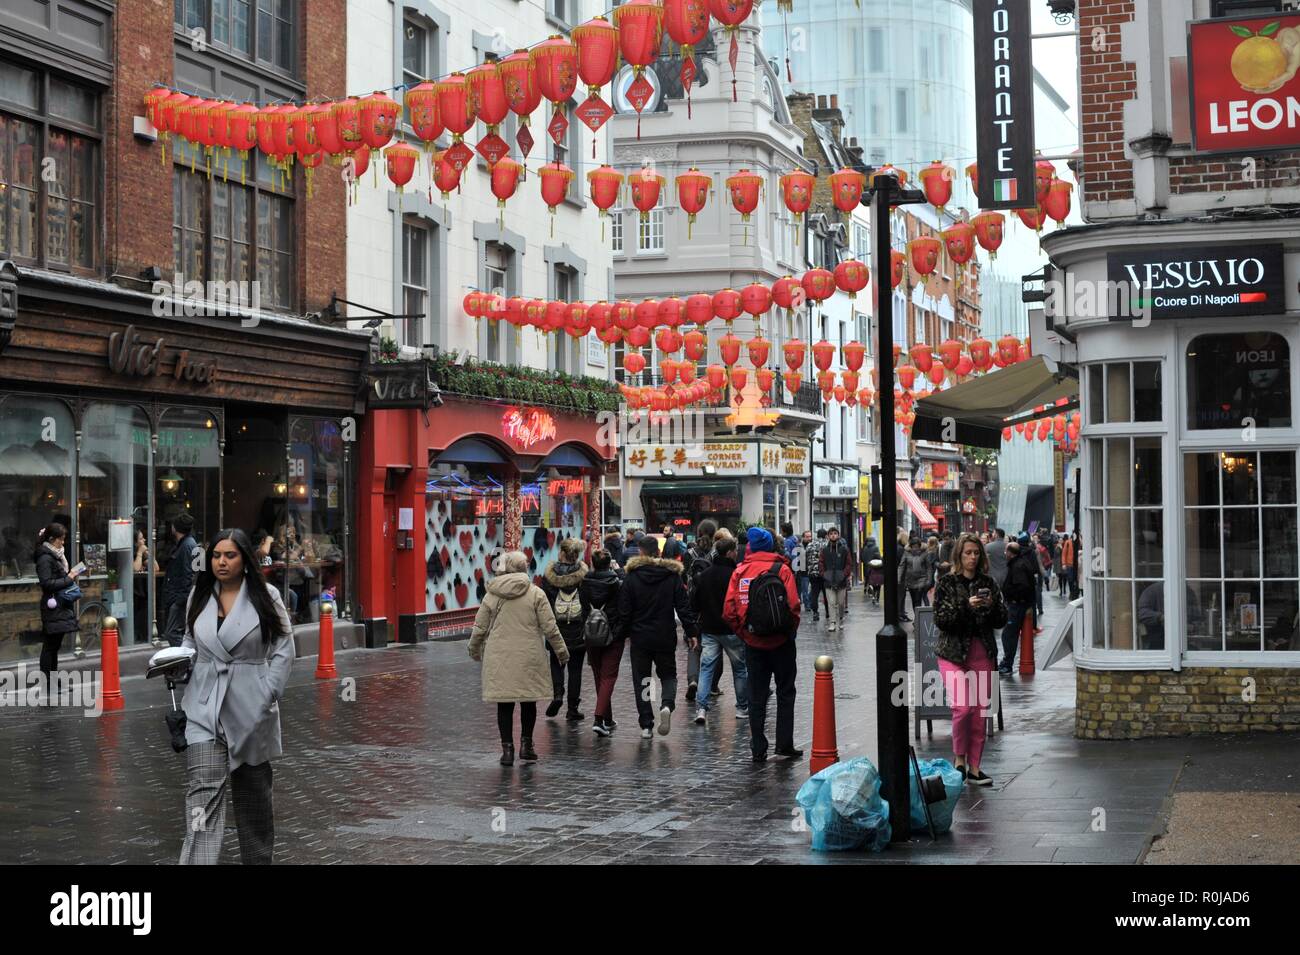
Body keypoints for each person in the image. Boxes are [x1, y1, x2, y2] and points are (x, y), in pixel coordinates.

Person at [179, 528, 294, 864]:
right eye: (216, 556)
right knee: (202, 795)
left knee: (253, 799)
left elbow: (283, 648)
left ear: (245, 559)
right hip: (204, 707)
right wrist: (176, 662)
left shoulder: (266, 596)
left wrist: (267, 691)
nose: (221, 562)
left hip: (251, 706)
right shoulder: (199, 596)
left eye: (230, 555)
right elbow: (190, 641)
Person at [469, 551, 568, 766]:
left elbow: (480, 628)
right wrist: (561, 651)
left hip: (499, 655)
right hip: (529, 654)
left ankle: (507, 750)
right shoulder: (536, 594)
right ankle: (527, 745)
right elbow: (550, 627)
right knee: (527, 701)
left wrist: (474, 649)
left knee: (504, 704)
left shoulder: (491, 594)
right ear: (524, 568)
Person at [932, 532, 1007, 787]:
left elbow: (1001, 620)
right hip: (952, 652)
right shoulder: (947, 583)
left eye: (976, 553)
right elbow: (942, 619)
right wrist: (967, 605)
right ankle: (959, 759)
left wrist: (992, 605)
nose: (972, 558)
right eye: (968, 553)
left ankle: (975, 767)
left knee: (979, 712)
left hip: (981, 651)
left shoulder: (989, 582)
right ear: (959, 556)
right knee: (962, 707)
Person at [724, 527, 802, 762]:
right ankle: (784, 743)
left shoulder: (740, 571)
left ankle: (758, 746)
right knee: (785, 692)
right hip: (781, 642)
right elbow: (794, 606)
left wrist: (745, 634)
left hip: (753, 643)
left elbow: (729, 611)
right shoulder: (782, 569)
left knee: (756, 695)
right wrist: (788, 632)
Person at [619, 535, 699, 739]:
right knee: (668, 674)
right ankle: (667, 704)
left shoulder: (632, 577)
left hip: (640, 636)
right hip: (664, 634)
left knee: (645, 679)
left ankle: (647, 723)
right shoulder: (671, 576)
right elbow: (683, 606)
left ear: (641, 552)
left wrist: (623, 633)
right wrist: (691, 632)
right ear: (658, 552)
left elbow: (625, 611)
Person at [690, 532, 750, 726]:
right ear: (731, 553)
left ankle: (701, 708)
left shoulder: (704, 575)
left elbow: (695, 603)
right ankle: (742, 707)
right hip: (731, 629)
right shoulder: (735, 575)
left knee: (706, 669)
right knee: (739, 668)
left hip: (709, 629)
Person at [540, 537, 589, 721]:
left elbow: (543, 601)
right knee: (576, 669)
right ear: (576, 555)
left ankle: (558, 694)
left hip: (556, 627)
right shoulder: (583, 574)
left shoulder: (550, 575)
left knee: (556, 662)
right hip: (578, 628)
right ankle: (573, 708)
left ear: (561, 552)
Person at [34, 523, 84, 688]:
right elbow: (46, 583)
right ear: (51, 539)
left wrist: (69, 577)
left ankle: (53, 681)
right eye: (60, 539)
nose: (63, 542)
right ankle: (48, 683)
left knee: (54, 646)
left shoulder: (53, 556)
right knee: (50, 646)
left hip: (59, 606)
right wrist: (69, 578)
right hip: (53, 606)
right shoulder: (45, 558)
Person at [579, 549, 623, 736]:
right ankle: (599, 718)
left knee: (599, 676)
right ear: (609, 564)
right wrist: (619, 631)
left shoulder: (584, 584)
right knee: (609, 677)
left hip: (591, 634)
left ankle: (607, 717)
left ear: (593, 563)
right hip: (612, 634)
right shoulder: (617, 584)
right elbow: (623, 610)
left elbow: (582, 609)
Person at [683, 519, 717, 702]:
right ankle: (711, 685)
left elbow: (683, 577)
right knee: (714, 646)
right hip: (712, 605)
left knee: (693, 646)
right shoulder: (715, 554)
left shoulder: (688, 553)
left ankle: (693, 680)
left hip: (692, 605)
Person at [999, 538, 1038, 674]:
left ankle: (1007, 664)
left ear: (1010, 553)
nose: (1005, 553)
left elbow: (1023, 586)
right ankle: (1007, 662)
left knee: (1008, 635)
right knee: (1010, 634)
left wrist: (1011, 595)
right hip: (1021, 604)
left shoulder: (1017, 566)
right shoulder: (1021, 562)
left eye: (1006, 551)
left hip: (1017, 605)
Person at [163, 513, 198, 647]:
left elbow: (191, 574)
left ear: (174, 528)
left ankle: (185, 659)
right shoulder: (191, 543)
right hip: (182, 597)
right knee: (182, 632)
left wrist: (181, 600)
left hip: (181, 598)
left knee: (172, 632)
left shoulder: (187, 546)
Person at [819, 526, 853, 632]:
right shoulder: (824, 550)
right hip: (828, 581)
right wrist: (824, 574)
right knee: (831, 602)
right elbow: (821, 563)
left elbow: (848, 563)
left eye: (835, 533)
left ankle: (841, 619)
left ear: (838, 535)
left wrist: (844, 574)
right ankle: (832, 622)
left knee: (841, 602)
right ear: (828, 536)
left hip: (841, 581)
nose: (833, 535)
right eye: (831, 533)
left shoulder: (844, 549)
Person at [900, 537, 935, 620]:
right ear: (911, 546)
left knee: (918, 599)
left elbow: (929, 567)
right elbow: (902, 566)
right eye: (914, 546)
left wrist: (929, 580)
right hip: (910, 580)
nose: (915, 548)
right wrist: (899, 577)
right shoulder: (906, 553)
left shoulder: (925, 553)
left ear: (920, 546)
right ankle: (917, 617)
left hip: (921, 580)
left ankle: (917, 620)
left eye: (917, 546)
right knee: (913, 600)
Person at [806, 529, 828, 622]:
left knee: (814, 593)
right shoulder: (828, 545)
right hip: (825, 573)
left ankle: (815, 612)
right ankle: (828, 612)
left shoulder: (810, 545)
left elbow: (806, 557)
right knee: (827, 593)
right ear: (826, 535)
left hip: (813, 573)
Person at [861, 535, 883, 606]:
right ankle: (875, 597)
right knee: (876, 583)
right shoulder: (875, 548)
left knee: (869, 580)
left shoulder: (864, 548)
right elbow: (879, 558)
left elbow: (862, 558)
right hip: (875, 568)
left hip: (867, 566)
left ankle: (867, 589)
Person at [791, 530, 810, 611]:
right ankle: (807, 605)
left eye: (810, 536)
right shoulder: (799, 547)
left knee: (809, 590)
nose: (809, 538)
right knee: (804, 590)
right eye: (807, 537)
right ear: (803, 537)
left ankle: (808, 603)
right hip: (802, 571)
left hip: (811, 571)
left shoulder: (813, 546)